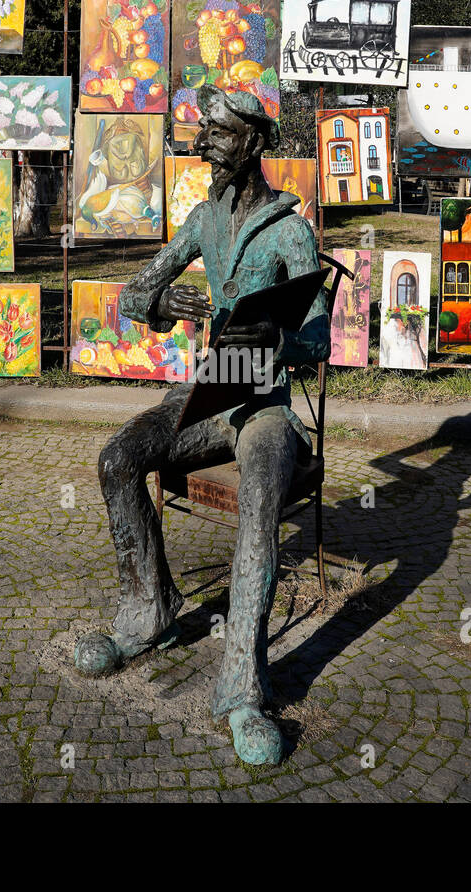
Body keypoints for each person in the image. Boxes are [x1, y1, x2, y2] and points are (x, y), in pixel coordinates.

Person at [73, 85, 329, 766]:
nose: (204, 143)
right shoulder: (202, 220)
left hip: (266, 407)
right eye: (204, 132)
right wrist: (164, 301)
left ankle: (242, 689)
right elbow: (132, 294)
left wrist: (279, 337)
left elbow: (321, 335)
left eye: (217, 133)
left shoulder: (289, 231)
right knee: (117, 459)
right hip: (210, 396)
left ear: (251, 143)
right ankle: (147, 614)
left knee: (259, 501)